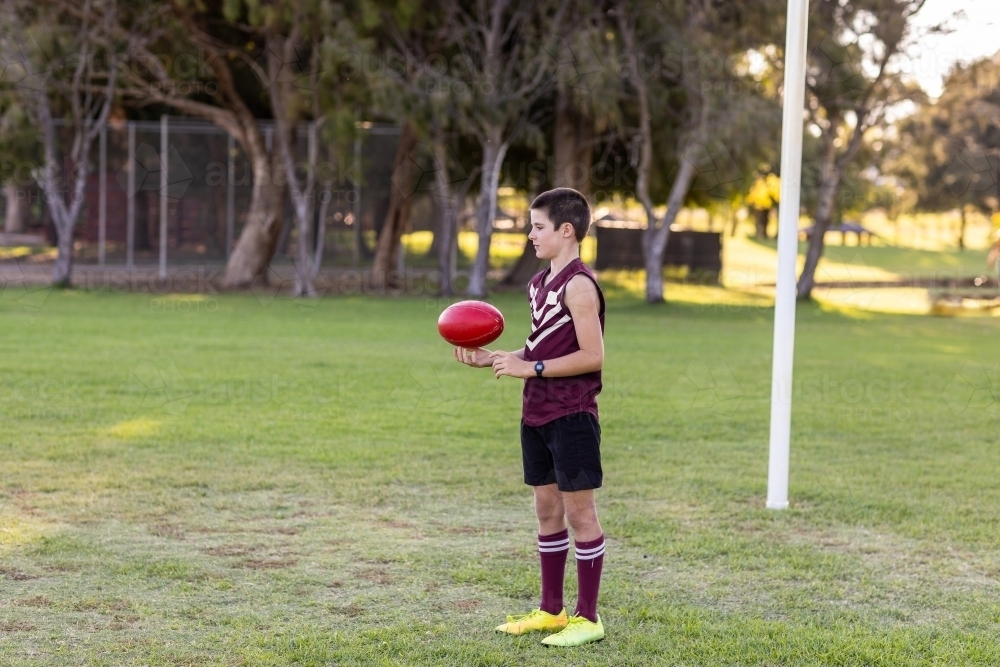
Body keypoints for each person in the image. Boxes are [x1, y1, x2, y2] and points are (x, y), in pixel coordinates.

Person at [454, 187, 607, 647]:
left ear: (566, 230)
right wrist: (499, 358)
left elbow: (593, 356)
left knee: (581, 514)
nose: (530, 234)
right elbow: (541, 348)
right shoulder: (539, 284)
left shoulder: (580, 285)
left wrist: (531, 368)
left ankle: (588, 618)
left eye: (538, 227)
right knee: (546, 510)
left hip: (572, 415)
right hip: (536, 413)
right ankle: (551, 610)